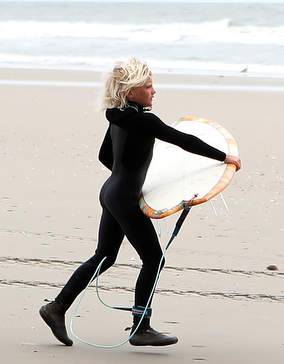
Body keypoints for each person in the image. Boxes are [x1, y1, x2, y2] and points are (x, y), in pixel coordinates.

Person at [40, 58, 241, 347]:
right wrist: (225, 157)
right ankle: (141, 327)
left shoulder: (116, 116)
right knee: (154, 259)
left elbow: (105, 157)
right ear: (130, 93)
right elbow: (183, 140)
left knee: (104, 257)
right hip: (124, 199)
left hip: (110, 192)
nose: (154, 91)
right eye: (148, 87)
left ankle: (55, 308)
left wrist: (128, 176)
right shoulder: (145, 121)